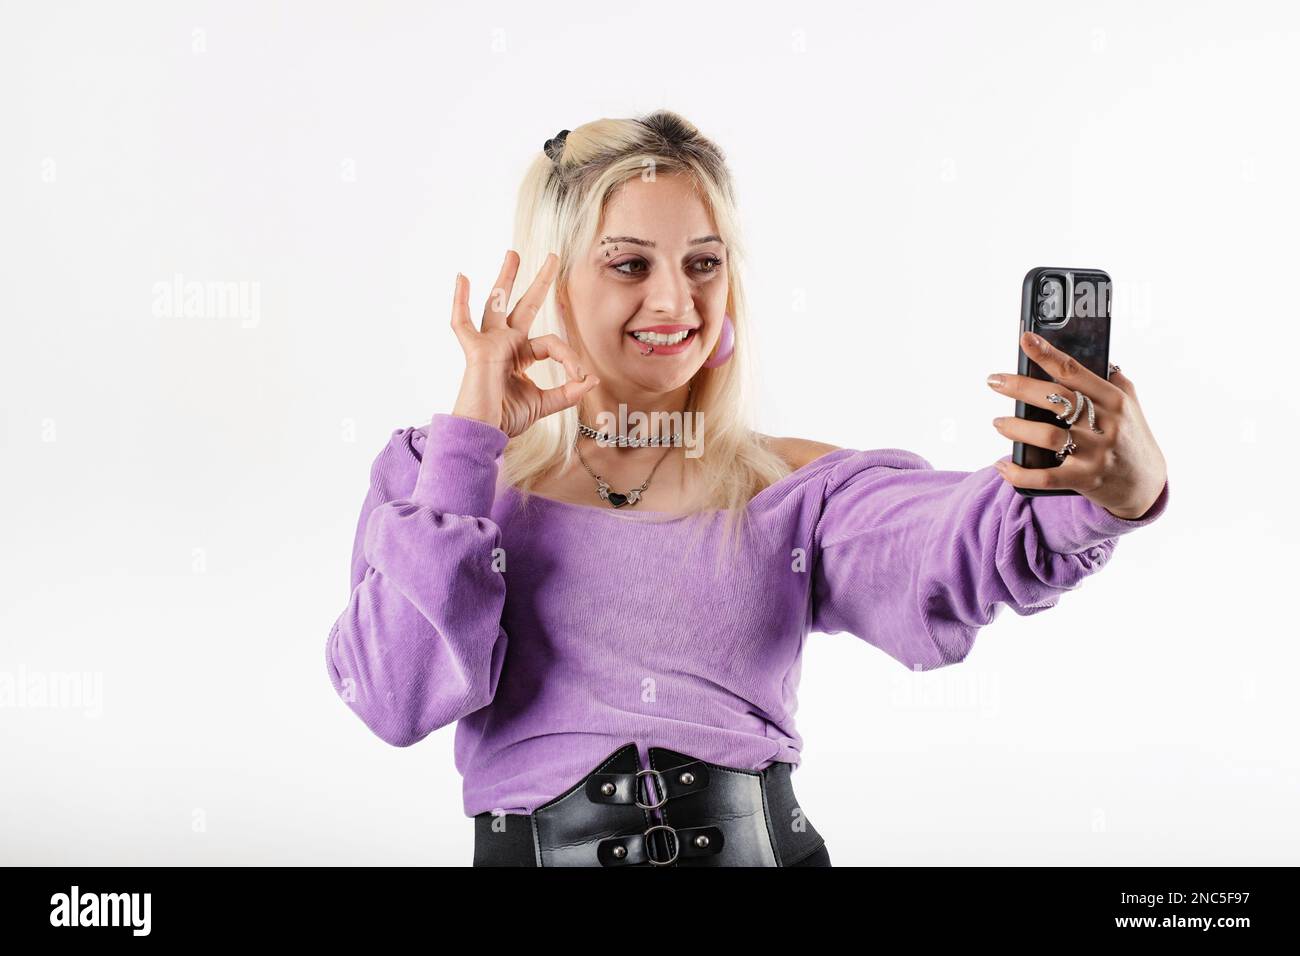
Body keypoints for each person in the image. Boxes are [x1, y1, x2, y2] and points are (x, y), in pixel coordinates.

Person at [324, 109, 1170, 867]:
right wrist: (471, 442)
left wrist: (1101, 489)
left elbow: (958, 544)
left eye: (704, 263)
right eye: (628, 264)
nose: (675, 300)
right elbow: (396, 697)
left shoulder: (790, 487)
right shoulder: (443, 482)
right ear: (553, 279)